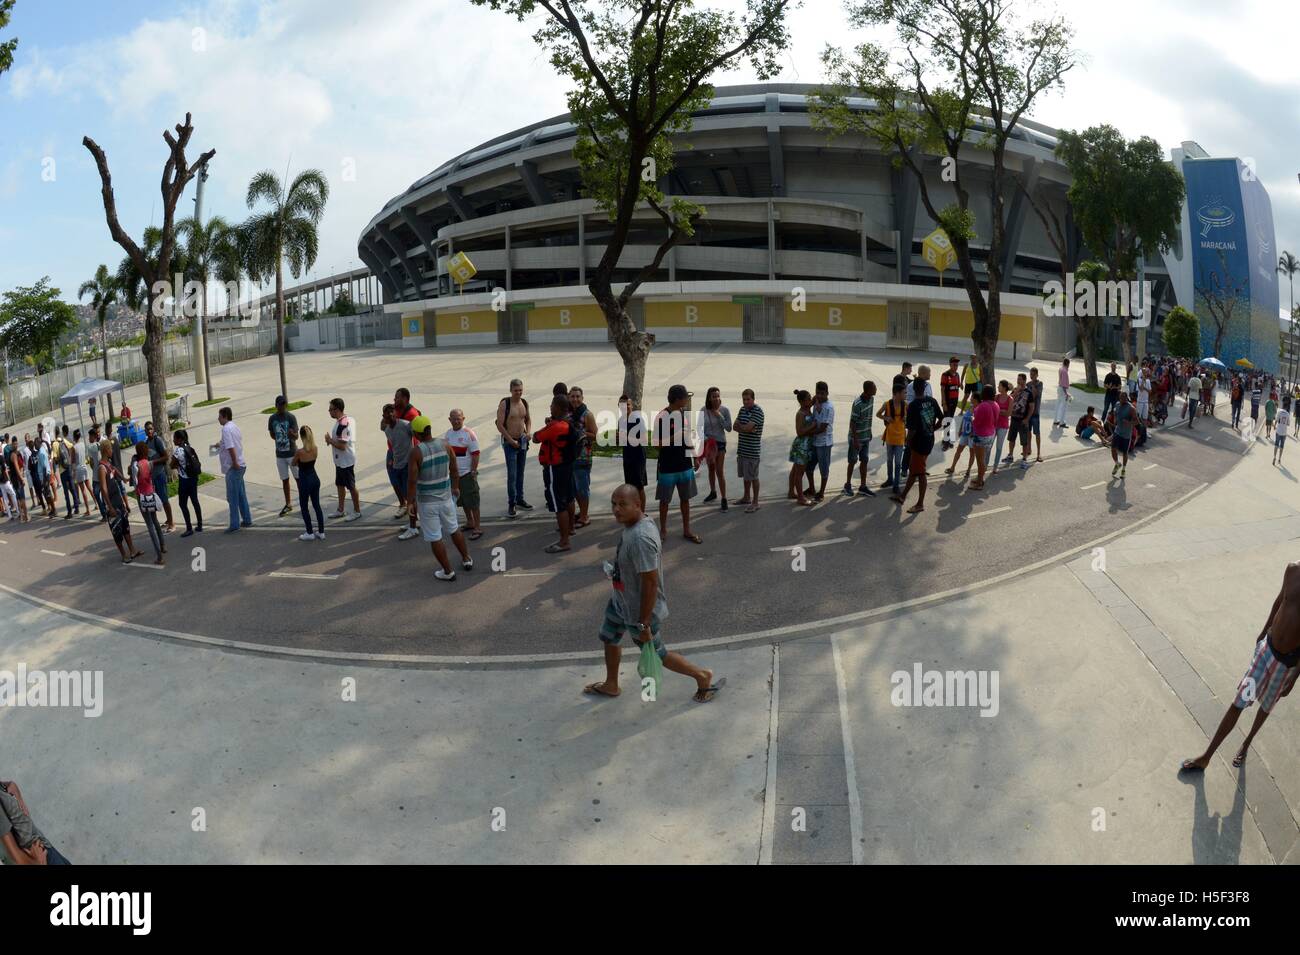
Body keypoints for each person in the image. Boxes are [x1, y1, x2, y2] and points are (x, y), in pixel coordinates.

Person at [582, 484, 723, 703]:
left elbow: (650, 582)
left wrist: (644, 623)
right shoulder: (636, 522)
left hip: (639, 612)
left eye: (622, 504)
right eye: (613, 504)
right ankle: (611, 684)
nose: (616, 509)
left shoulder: (640, 539)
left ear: (638, 505)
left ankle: (702, 676)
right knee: (609, 637)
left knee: (658, 653)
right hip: (621, 602)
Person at [1180, 562, 1300, 774]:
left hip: (1286, 664)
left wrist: (1296, 674)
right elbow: (1279, 602)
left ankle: (1247, 743)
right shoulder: (1293, 569)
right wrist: (1263, 633)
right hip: (1267, 652)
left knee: (1265, 707)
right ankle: (1206, 757)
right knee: (1240, 702)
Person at [407, 415, 473, 580]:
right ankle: (466, 559)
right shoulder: (445, 444)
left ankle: (448, 571)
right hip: (446, 499)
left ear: (417, 433)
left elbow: (412, 480)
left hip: (427, 503)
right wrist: (455, 487)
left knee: (435, 536)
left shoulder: (416, 452)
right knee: (454, 528)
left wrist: (410, 502)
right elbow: (454, 469)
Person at [654, 384, 703, 542]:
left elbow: (688, 437)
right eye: (685, 398)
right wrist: (674, 437)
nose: (687, 400)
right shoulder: (662, 416)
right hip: (667, 466)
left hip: (684, 465)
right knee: (665, 501)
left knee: (685, 499)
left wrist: (695, 455)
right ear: (677, 399)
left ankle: (687, 530)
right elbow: (656, 444)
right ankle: (662, 530)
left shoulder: (683, 414)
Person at [535, 394, 579, 552]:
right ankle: (571, 528)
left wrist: (549, 425)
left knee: (558, 505)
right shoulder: (569, 423)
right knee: (569, 498)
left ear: (559, 408)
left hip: (555, 468)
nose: (550, 407)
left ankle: (564, 541)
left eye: (552, 405)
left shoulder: (556, 426)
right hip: (567, 467)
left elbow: (536, 437)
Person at [892, 376, 942, 513]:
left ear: (913, 388)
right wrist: (933, 429)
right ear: (925, 387)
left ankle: (920, 504)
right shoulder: (932, 401)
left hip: (918, 443)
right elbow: (943, 419)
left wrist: (907, 442)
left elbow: (912, 429)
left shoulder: (913, 405)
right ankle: (902, 496)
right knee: (914, 470)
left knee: (920, 473)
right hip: (929, 440)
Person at [0, 779, 71, 864]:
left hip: (43, 847)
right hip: (38, 856)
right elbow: (13, 853)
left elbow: (9, 786)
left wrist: (11, 785)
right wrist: (37, 863)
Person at [98, 437, 142, 563]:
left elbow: (115, 470)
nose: (112, 450)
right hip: (112, 504)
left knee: (125, 527)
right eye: (111, 448)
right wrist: (110, 507)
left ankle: (132, 550)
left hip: (118, 501)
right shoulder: (102, 468)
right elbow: (103, 489)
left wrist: (123, 478)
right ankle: (124, 555)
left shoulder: (108, 463)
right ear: (106, 450)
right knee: (117, 531)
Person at [381, 404, 419, 541]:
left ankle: (413, 528)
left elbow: (417, 439)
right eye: (387, 414)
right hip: (397, 466)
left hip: (408, 466)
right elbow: (393, 447)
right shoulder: (387, 431)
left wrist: (417, 459)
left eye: (392, 413)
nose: (390, 415)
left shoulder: (406, 425)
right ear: (383, 417)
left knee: (411, 498)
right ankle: (413, 522)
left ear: (395, 413)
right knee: (405, 495)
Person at [496, 379, 533, 518]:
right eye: (516, 390)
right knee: (512, 474)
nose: (518, 393)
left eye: (520, 390)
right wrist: (510, 440)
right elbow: (499, 425)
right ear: (511, 390)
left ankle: (520, 499)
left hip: (522, 441)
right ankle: (511, 502)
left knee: (520, 472)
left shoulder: (524, 403)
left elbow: (528, 419)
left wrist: (528, 432)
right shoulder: (505, 404)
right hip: (510, 442)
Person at [445, 408, 482, 541]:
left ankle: (477, 527)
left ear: (463, 419)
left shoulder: (469, 434)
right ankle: (470, 522)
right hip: (455, 476)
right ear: (449, 420)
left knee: (473, 501)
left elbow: (476, 453)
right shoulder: (448, 434)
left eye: (458, 419)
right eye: (453, 419)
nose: (456, 421)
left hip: (467, 474)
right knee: (463, 501)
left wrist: (473, 470)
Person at [324, 397, 362, 521]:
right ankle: (340, 510)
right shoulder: (346, 419)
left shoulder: (343, 425)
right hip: (340, 461)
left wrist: (330, 441)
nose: (329, 411)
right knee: (340, 484)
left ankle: (357, 511)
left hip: (345, 461)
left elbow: (343, 446)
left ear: (337, 409)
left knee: (351, 486)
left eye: (331, 409)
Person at [566, 386, 598, 529]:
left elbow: (595, 436)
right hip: (570, 457)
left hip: (583, 457)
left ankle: (584, 517)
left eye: (578, 396)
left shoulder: (587, 414)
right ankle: (581, 512)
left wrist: (581, 433)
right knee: (573, 488)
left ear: (582, 398)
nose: (575, 399)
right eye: (572, 396)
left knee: (582, 488)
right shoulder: (567, 413)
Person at [131, 440, 166, 565]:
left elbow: (135, 483)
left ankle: (159, 556)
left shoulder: (136, 466)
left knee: (150, 525)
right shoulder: (149, 463)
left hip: (142, 497)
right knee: (155, 521)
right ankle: (163, 545)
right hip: (151, 493)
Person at [218, 406, 252, 533]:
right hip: (241, 465)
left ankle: (234, 524)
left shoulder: (226, 429)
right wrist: (219, 444)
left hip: (234, 467)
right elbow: (234, 443)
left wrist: (234, 462)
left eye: (220, 416)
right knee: (241, 494)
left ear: (225, 416)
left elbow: (231, 447)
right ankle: (247, 519)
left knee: (232, 497)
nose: (218, 419)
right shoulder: (234, 426)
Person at [698, 386, 733, 510]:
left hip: (720, 443)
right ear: (709, 398)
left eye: (718, 396)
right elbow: (699, 429)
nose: (716, 398)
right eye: (714, 396)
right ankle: (713, 492)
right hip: (709, 443)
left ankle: (724, 498)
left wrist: (719, 416)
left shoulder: (724, 410)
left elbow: (729, 428)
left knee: (719, 470)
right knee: (711, 469)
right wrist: (706, 438)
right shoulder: (703, 410)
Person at [268, 395, 300, 517]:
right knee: (284, 480)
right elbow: (272, 434)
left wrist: (291, 434)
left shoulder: (291, 417)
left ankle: (303, 501)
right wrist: (279, 439)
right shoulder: (272, 418)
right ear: (276, 405)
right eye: (280, 404)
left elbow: (297, 436)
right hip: (280, 455)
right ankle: (288, 503)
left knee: (298, 478)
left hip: (292, 454)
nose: (282, 407)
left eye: (284, 404)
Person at [292, 425, 326, 541]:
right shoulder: (315, 448)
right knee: (317, 505)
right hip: (315, 478)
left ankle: (309, 532)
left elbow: (293, 463)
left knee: (304, 506)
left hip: (304, 480)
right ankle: (321, 531)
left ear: (301, 437)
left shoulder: (299, 452)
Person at [733, 388, 764, 512]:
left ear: (753, 399)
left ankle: (755, 502)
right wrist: (746, 428)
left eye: (748, 399)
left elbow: (746, 428)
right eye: (744, 399)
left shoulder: (758, 411)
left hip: (752, 451)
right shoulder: (742, 410)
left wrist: (745, 428)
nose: (745, 402)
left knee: (753, 477)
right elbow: (735, 427)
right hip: (742, 450)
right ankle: (746, 497)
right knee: (746, 476)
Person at [844, 380, 876, 497]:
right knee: (852, 461)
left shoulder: (872, 399)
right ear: (868, 390)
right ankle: (847, 485)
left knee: (865, 460)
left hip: (866, 436)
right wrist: (856, 440)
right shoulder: (857, 404)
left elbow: (869, 417)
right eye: (874, 388)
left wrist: (869, 431)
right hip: (856, 439)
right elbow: (852, 423)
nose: (876, 389)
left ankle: (863, 486)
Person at [142, 420, 175, 532]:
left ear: (154, 429)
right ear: (145, 431)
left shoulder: (158, 441)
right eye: (147, 429)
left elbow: (166, 456)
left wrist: (154, 462)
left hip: (160, 474)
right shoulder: (146, 443)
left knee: (165, 499)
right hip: (153, 477)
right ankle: (168, 520)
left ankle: (172, 523)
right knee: (159, 499)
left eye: (151, 429)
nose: (149, 431)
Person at [170, 429, 203, 537]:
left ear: (179, 439)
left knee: (182, 504)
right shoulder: (189, 448)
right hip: (193, 478)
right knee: (195, 501)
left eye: (174, 438)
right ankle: (199, 525)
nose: (173, 440)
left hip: (184, 480)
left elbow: (171, 465)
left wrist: (177, 465)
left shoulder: (178, 451)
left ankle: (189, 528)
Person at [788, 389, 818, 507]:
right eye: (808, 399)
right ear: (802, 402)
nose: (811, 400)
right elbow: (799, 432)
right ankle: (800, 497)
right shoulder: (801, 414)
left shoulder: (807, 407)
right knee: (799, 473)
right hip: (802, 446)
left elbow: (815, 399)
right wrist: (812, 426)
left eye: (810, 398)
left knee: (795, 469)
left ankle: (791, 492)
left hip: (806, 445)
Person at [618, 394, 648, 512]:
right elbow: (622, 441)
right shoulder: (621, 420)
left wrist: (627, 437)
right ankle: (633, 511)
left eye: (627, 404)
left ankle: (642, 512)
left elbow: (644, 440)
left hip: (638, 457)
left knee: (639, 487)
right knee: (630, 486)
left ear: (632, 406)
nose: (625, 407)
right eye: (621, 405)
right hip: (627, 457)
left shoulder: (638, 419)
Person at [878, 381, 907, 497]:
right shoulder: (887, 404)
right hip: (890, 437)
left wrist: (906, 418)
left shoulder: (905, 405)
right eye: (904, 393)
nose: (905, 395)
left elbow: (910, 417)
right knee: (890, 461)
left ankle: (896, 485)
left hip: (900, 438)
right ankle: (890, 479)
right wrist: (885, 417)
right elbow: (878, 414)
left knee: (898, 462)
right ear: (897, 393)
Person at [967, 385, 997, 489]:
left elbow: (977, 422)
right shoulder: (995, 405)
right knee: (983, 460)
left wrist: (972, 417)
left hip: (981, 435)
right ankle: (980, 478)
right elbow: (995, 420)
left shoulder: (983, 405)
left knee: (980, 461)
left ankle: (980, 482)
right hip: (990, 434)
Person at [1005, 373, 1034, 470]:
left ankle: (1024, 459)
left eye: (1020, 379)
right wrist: (1016, 391)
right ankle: (1010, 455)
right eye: (1017, 379)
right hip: (1014, 419)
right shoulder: (1015, 390)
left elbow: (1031, 407)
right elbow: (1009, 400)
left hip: (1023, 421)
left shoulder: (1029, 393)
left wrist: (1027, 419)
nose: (1018, 381)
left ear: (1024, 381)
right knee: (1011, 438)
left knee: (1024, 441)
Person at [53, 425, 79, 519]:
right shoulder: (63, 440)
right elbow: (72, 448)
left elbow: (55, 459)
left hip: (62, 470)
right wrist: (70, 460)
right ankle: (76, 507)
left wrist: (58, 460)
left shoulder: (55, 444)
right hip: (68, 467)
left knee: (66, 491)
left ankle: (69, 512)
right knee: (72, 487)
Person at [1109, 391, 1135, 480]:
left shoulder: (1131, 408)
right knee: (1113, 449)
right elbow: (1115, 412)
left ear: (1126, 398)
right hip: (1117, 431)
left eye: (1122, 398)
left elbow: (1137, 422)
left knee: (1125, 453)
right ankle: (1117, 463)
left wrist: (1129, 422)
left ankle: (1123, 469)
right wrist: (1115, 418)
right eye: (1120, 398)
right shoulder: (1117, 404)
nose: (1121, 400)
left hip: (1126, 435)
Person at [940, 357, 962, 450]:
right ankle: (945, 441)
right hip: (947, 402)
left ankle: (947, 439)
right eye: (954, 365)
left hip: (954, 401)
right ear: (950, 364)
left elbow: (958, 384)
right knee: (946, 421)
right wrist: (944, 403)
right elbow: (942, 389)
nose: (955, 367)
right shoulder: (945, 375)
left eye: (957, 365)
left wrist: (961, 385)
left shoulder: (957, 374)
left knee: (950, 420)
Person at [6, 436, 28, 522]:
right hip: (17, 479)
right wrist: (21, 479)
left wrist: (22, 473)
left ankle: (22, 516)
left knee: (19, 498)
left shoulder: (17, 453)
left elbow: (21, 466)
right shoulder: (14, 455)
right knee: (21, 498)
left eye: (16, 443)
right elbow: (16, 468)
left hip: (16, 478)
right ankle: (25, 516)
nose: (15, 445)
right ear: (12, 444)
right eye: (14, 444)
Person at [991, 380, 1012, 475]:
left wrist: (999, 410)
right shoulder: (996, 397)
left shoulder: (1010, 399)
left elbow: (1008, 414)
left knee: (999, 447)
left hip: (1003, 426)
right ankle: (985, 464)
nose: (998, 387)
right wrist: (1002, 411)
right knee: (989, 446)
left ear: (1004, 387)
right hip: (994, 425)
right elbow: (993, 410)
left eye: (999, 386)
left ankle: (995, 467)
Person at [73, 428, 94, 517]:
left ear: (74, 437)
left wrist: (73, 473)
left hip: (78, 469)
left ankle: (88, 509)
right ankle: (96, 504)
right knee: (89, 487)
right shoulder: (82, 444)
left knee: (83, 490)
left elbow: (73, 461)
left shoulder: (74, 447)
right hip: (84, 466)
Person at [1027, 367, 1045, 461]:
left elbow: (1035, 395)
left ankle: (1038, 453)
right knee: (1028, 432)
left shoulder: (1039, 384)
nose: (1031, 376)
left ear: (1037, 375)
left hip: (1035, 412)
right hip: (1028, 412)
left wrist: (1033, 384)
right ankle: (1029, 449)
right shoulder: (1027, 384)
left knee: (1037, 433)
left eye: (1033, 374)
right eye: (1030, 374)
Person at [1052, 358, 1071, 428]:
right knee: (1064, 406)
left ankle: (1056, 420)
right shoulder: (1065, 371)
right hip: (1063, 389)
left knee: (1058, 405)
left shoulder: (1061, 369)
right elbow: (1064, 384)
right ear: (1068, 364)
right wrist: (1066, 393)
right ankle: (1062, 422)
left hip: (1059, 388)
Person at [1275, 399, 1291, 467]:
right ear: (1287, 407)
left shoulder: (1279, 412)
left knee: (1276, 445)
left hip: (1278, 431)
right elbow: (1288, 424)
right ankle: (1279, 459)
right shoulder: (1287, 414)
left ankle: (1274, 457)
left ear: (1282, 406)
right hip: (1284, 432)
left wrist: (1275, 425)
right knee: (1281, 446)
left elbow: (1276, 420)